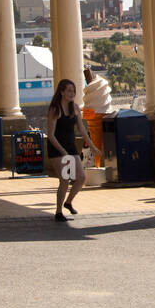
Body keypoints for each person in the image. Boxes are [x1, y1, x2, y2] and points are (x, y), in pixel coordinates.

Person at [47, 78, 94, 221]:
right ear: (61, 92)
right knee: (64, 179)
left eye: (73, 91)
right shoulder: (55, 109)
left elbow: (82, 129)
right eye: (69, 90)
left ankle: (68, 202)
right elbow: (50, 134)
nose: (72, 93)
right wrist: (62, 152)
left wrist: (93, 146)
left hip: (71, 147)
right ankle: (58, 211)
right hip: (57, 148)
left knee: (81, 178)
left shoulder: (75, 108)